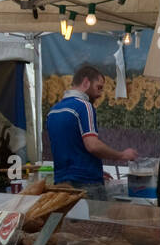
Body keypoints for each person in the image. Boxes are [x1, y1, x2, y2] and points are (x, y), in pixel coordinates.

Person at [45, 65, 136, 200]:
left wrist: (95, 170)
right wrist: (122, 155)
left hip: (61, 184)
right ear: (86, 82)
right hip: (86, 184)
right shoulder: (84, 106)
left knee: (71, 220)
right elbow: (92, 145)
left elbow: (71, 147)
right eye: (98, 87)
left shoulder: (53, 111)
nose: (100, 94)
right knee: (94, 221)